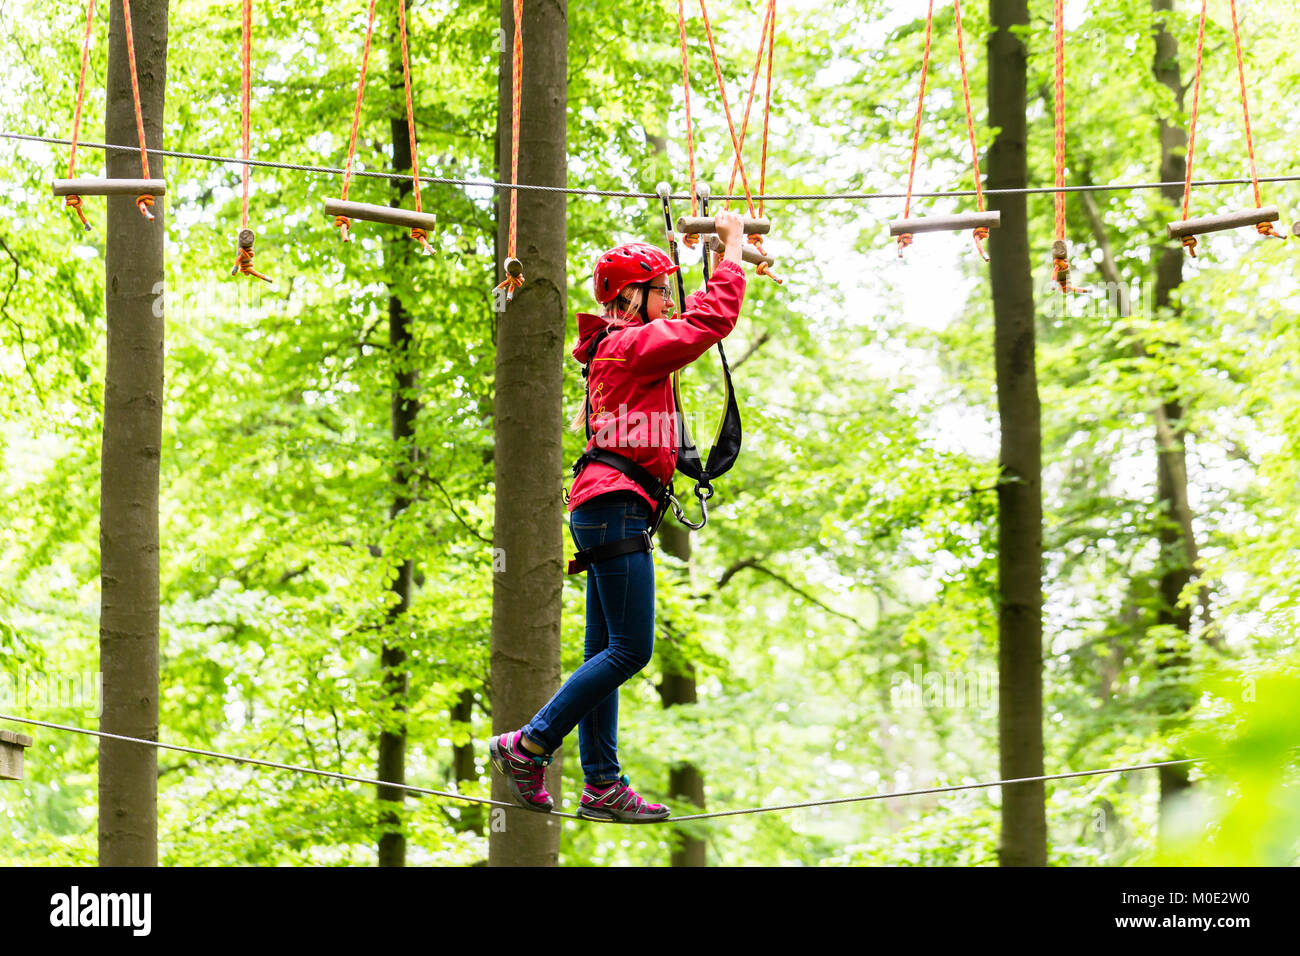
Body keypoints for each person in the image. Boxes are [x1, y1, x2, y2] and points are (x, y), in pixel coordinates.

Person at [489, 209, 748, 823]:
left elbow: (694, 321)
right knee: (630, 650)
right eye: (660, 289)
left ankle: (602, 783)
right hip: (615, 508)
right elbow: (714, 319)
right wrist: (731, 249)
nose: (668, 299)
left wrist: (716, 261)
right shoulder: (630, 345)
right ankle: (528, 745)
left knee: (604, 653)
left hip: (609, 507)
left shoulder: (622, 347)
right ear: (631, 295)